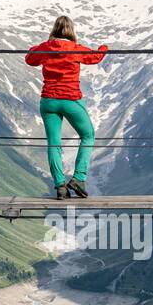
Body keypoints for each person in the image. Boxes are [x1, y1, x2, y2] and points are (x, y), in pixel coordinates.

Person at [24, 15, 107, 198]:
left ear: (54, 29)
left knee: (54, 143)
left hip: (48, 101)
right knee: (88, 135)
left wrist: (35, 48)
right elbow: (96, 57)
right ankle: (78, 178)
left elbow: (29, 59)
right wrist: (104, 48)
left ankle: (60, 186)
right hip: (70, 100)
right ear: (71, 31)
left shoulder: (45, 48)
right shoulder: (75, 48)